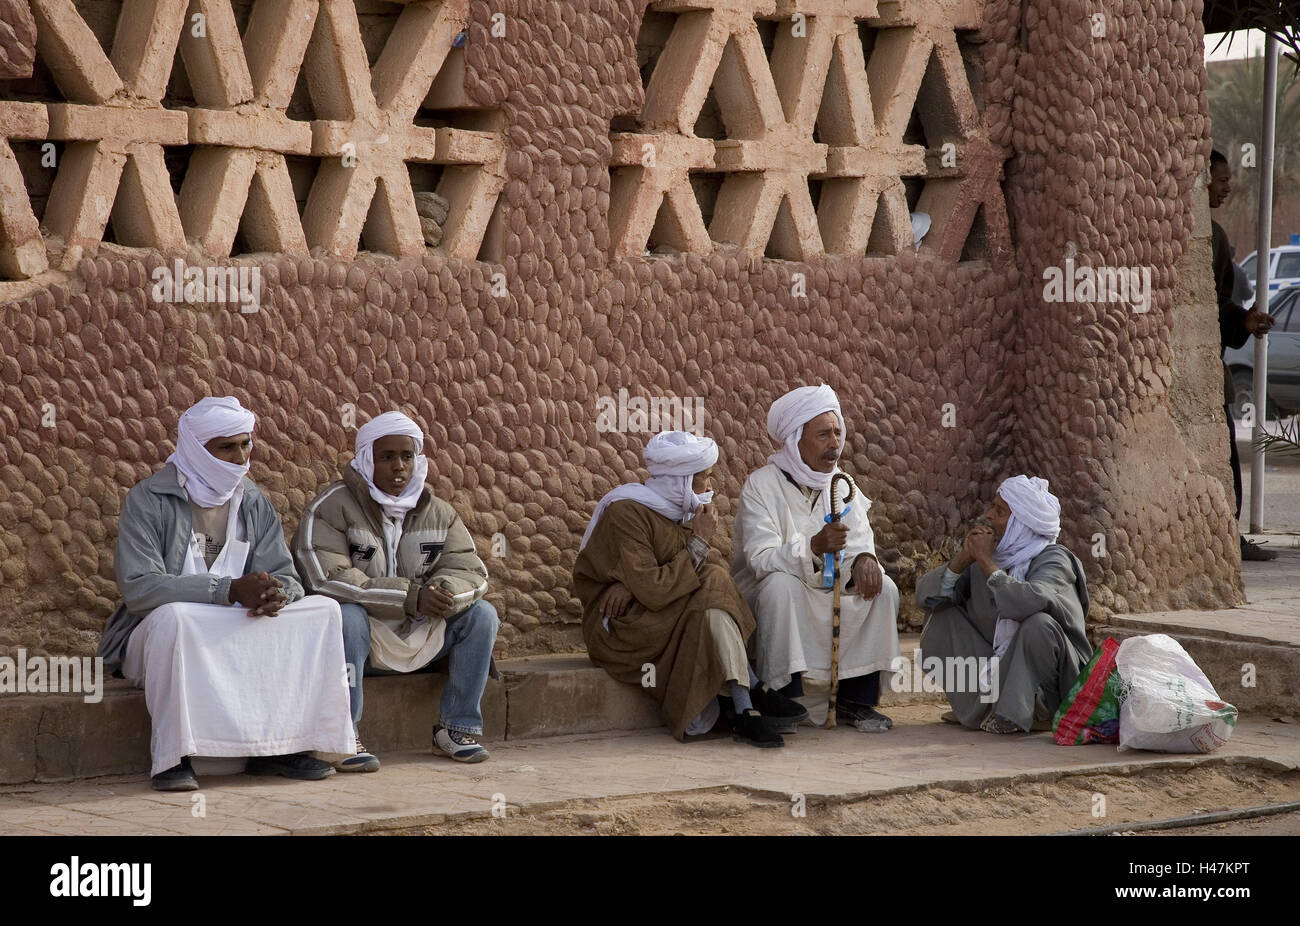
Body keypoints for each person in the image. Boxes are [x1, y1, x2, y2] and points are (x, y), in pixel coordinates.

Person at [97, 397, 353, 791]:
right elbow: (141, 589)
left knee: (323, 610)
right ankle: (173, 758)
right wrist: (228, 590)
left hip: (236, 626)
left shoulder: (251, 500)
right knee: (176, 617)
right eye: (226, 447)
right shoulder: (148, 499)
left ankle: (286, 748)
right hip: (158, 637)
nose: (239, 457)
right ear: (197, 449)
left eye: (245, 444)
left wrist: (276, 594)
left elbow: (286, 575)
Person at [572, 431, 805, 747]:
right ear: (680, 480)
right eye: (704, 479)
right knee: (712, 578)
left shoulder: (683, 508)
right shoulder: (627, 512)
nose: (710, 488)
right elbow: (655, 589)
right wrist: (697, 542)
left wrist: (634, 584)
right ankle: (752, 692)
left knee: (711, 592)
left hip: (664, 611)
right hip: (621, 626)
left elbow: (668, 579)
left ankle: (745, 708)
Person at [294, 411, 497, 767]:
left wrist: (443, 592)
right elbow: (325, 578)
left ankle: (456, 727)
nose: (398, 466)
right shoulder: (331, 508)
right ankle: (344, 736)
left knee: (482, 615)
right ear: (366, 460)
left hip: (421, 636)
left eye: (406, 456)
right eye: (386, 457)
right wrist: (409, 597)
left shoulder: (439, 513)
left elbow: (471, 572)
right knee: (346, 615)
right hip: (362, 643)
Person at [732, 384, 900, 732]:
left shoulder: (841, 484)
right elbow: (759, 559)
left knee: (883, 586)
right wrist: (812, 547)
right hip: (782, 590)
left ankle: (857, 702)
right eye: (824, 434)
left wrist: (865, 560)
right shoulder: (762, 485)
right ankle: (785, 699)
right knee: (780, 587)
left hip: (830, 588)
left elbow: (859, 542)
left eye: (838, 432)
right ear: (796, 439)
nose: (834, 443)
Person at [916, 475, 1090, 733]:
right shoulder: (990, 557)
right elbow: (924, 596)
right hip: (999, 666)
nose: (988, 516)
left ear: (1022, 523)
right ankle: (981, 709)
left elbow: (1024, 603)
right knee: (941, 611)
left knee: (1038, 625)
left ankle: (1027, 712)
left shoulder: (1055, 559)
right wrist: (963, 558)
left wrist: (987, 563)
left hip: (1056, 685)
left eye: (999, 511)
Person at [1209, 148, 1277, 561]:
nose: (1227, 186)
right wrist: (1238, 319)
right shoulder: (1210, 237)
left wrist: (1243, 320)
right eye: (1220, 178)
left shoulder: (1216, 237)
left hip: (1210, 373)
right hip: (1202, 378)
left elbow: (1215, 305)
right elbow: (1211, 305)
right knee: (1224, 454)